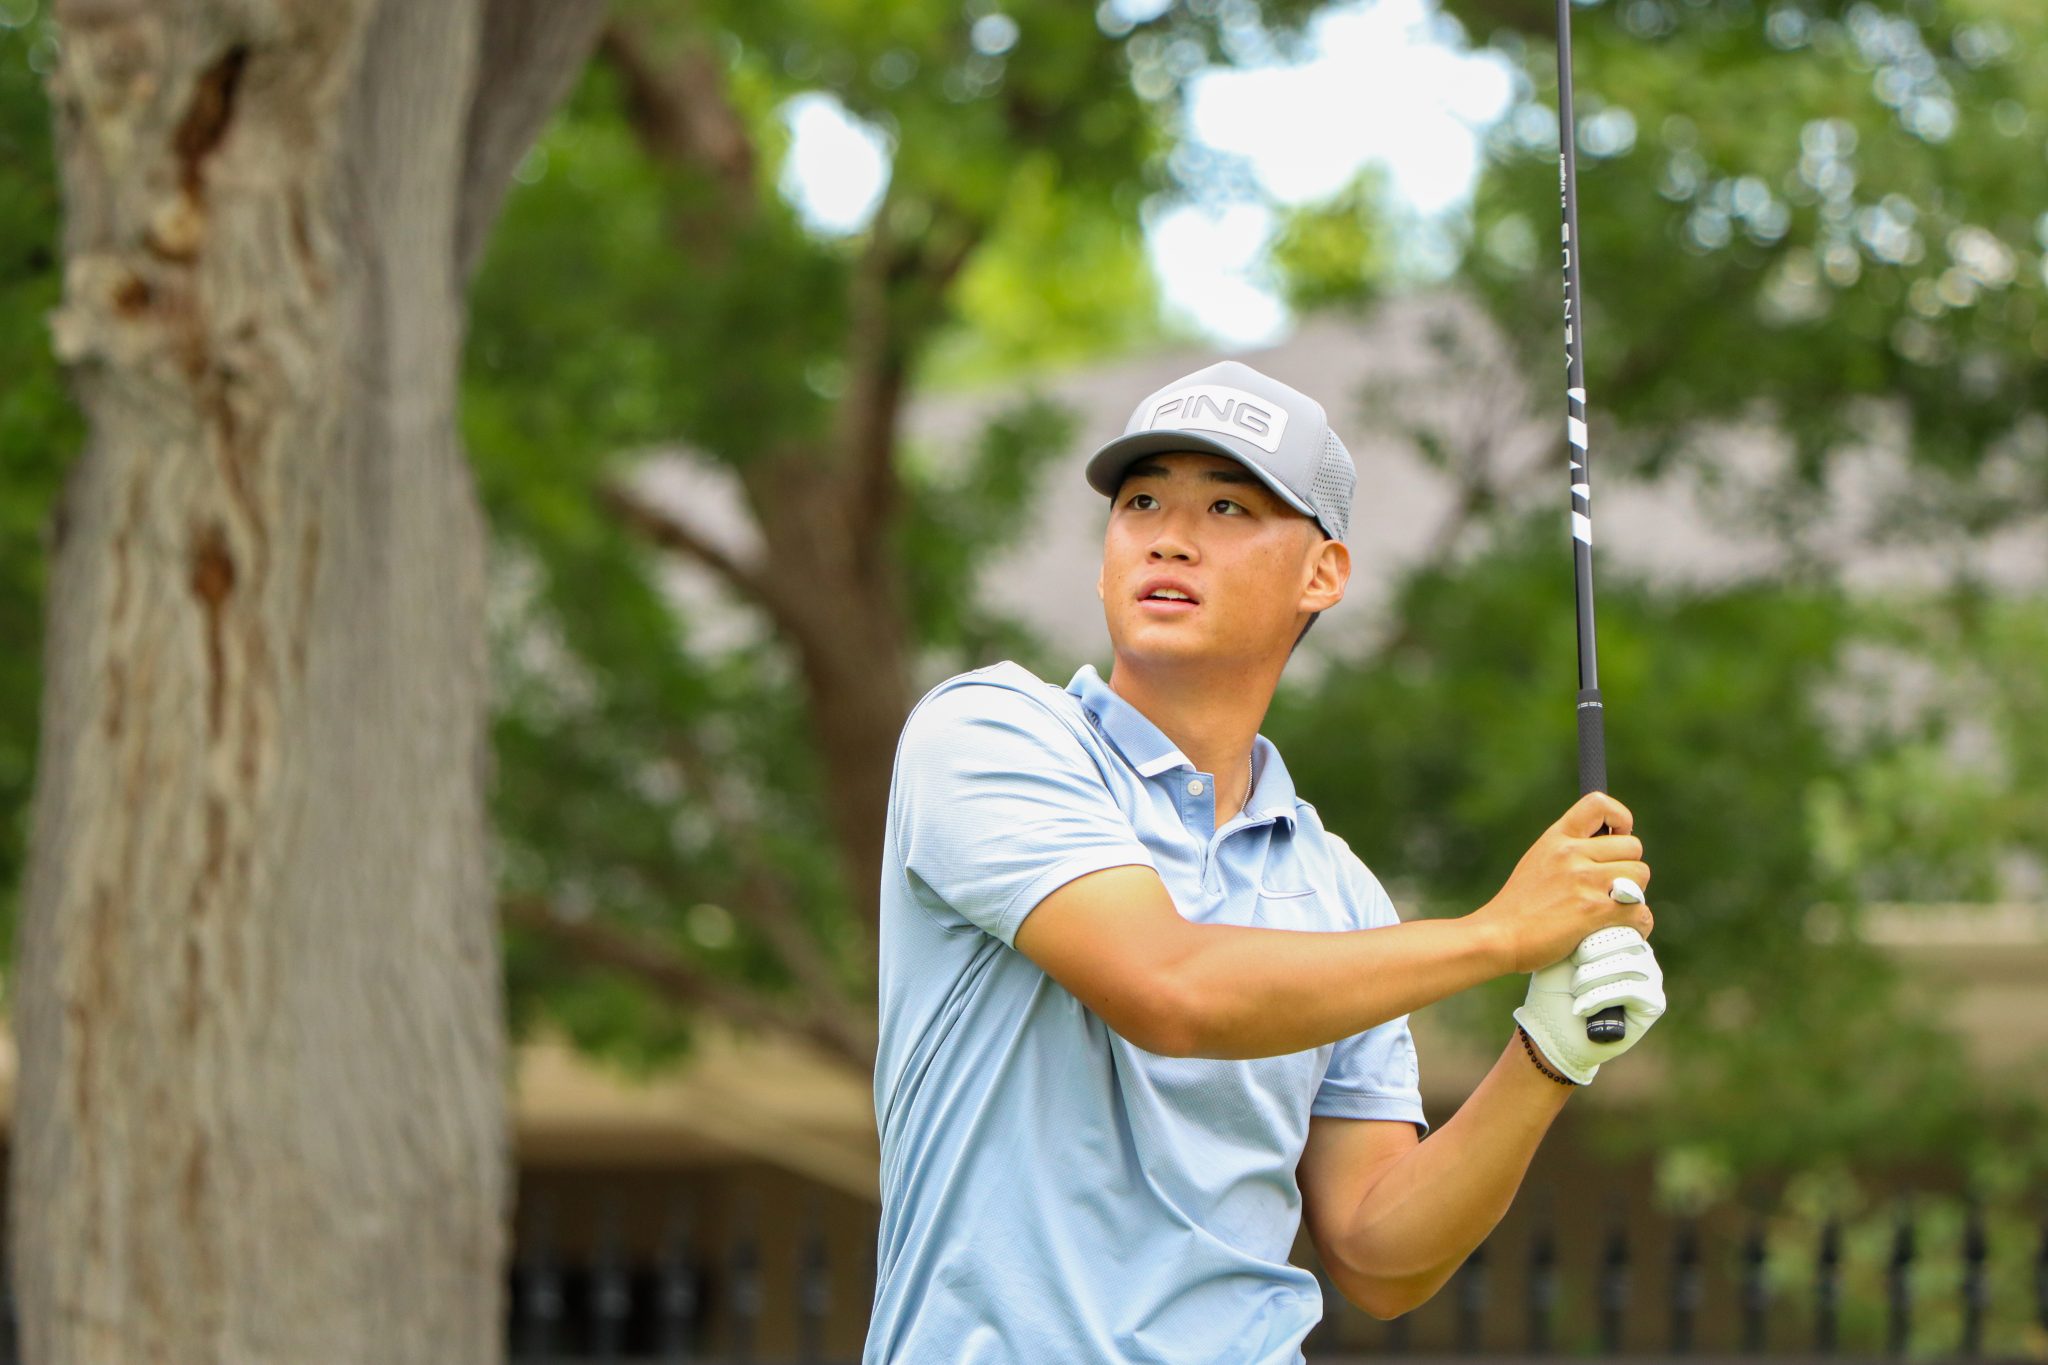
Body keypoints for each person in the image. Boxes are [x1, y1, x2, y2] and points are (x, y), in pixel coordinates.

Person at [863, 359, 1666, 1365]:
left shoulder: (1340, 894)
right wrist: (1498, 935)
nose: (1168, 533)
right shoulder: (988, 732)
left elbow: (1378, 1253)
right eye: (1141, 501)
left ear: (1321, 574)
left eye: (1228, 508)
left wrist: (1550, 1052)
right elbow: (1170, 987)